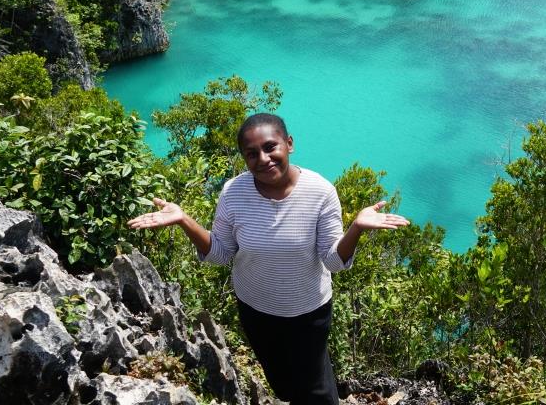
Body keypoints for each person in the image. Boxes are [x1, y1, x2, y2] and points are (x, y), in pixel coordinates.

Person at [127, 113, 410, 405]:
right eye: (252, 154)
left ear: (289, 144)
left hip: (308, 312)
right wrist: (185, 220)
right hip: (256, 310)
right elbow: (221, 254)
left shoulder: (320, 192)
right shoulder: (234, 192)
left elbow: (332, 261)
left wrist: (356, 229)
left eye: (270, 147)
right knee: (283, 386)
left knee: (316, 392)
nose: (263, 158)